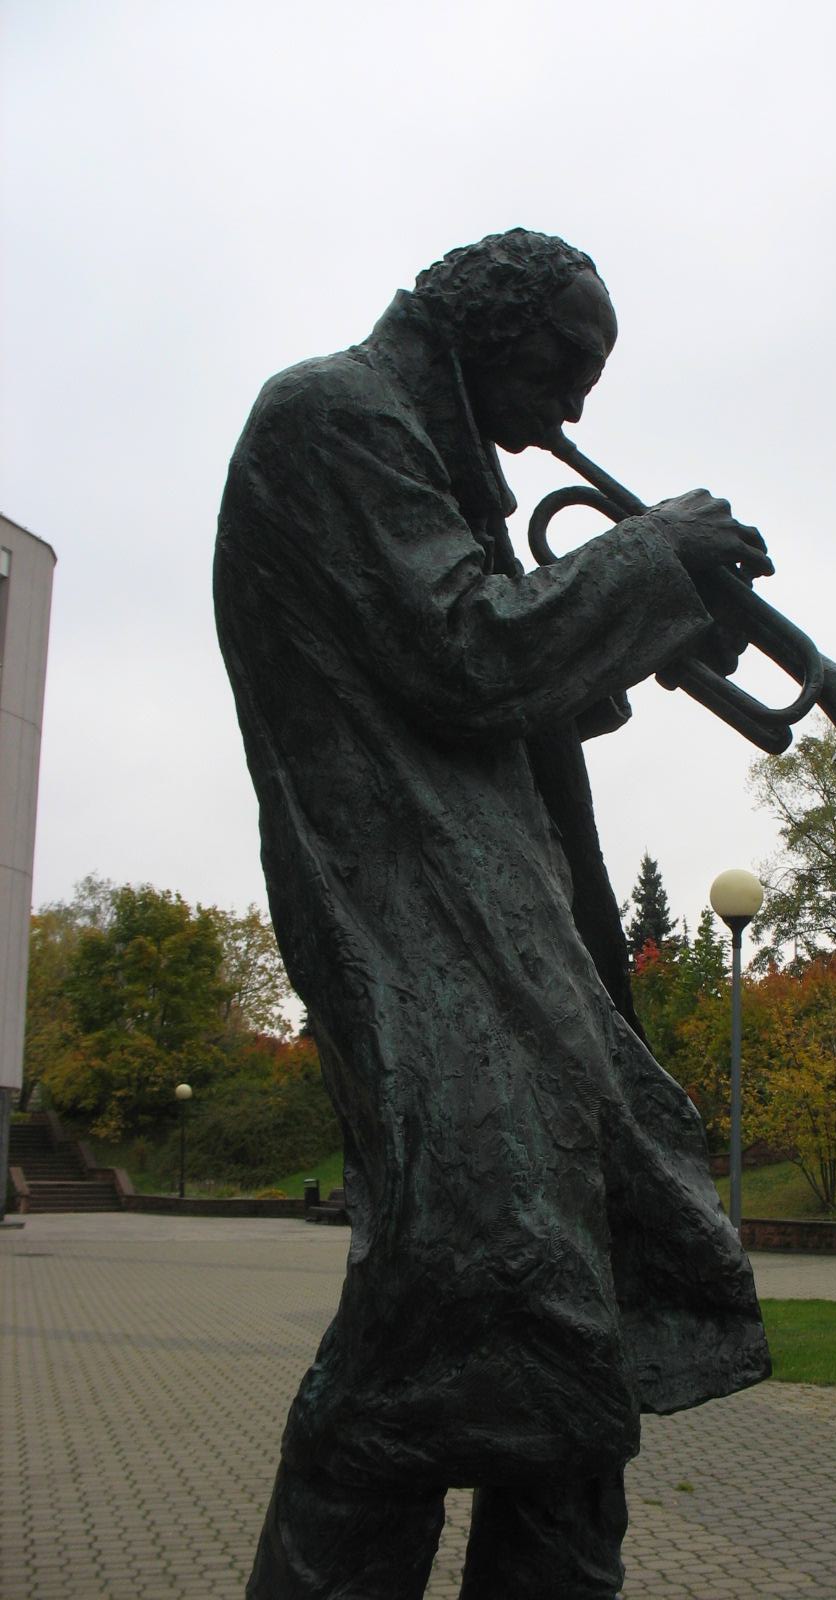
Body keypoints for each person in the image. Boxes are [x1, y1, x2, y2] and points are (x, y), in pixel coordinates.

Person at [215, 229, 772, 1600]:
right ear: (487, 326)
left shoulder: (418, 454)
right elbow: (466, 653)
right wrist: (648, 556)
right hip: (424, 941)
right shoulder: (334, 415)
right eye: (565, 369)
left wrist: (620, 640)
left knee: (571, 1360)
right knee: (453, 1334)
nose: (572, 414)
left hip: (502, 941)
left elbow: (479, 689)